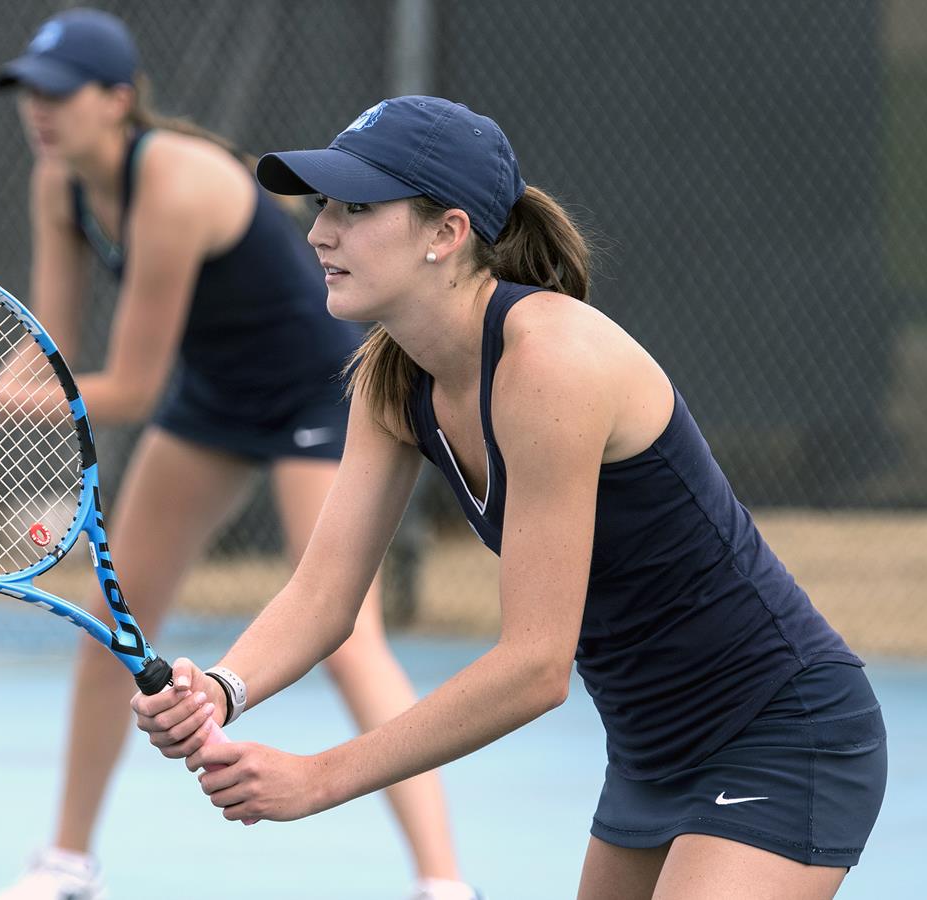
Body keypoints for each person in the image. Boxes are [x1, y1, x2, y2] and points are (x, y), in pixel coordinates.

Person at [134, 96, 888, 899]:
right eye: (323, 205)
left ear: (446, 234)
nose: (321, 231)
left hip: (782, 734)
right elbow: (323, 595)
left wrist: (320, 778)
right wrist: (224, 687)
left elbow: (535, 666)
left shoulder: (549, 362)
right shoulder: (391, 381)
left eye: (356, 207)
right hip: (650, 752)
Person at [0, 13, 478, 900]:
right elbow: (46, 342)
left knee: (348, 637)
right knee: (112, 622)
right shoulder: (57, 182)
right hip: (213, 398)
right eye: (28, 94)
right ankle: (66, 865)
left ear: (119, 100)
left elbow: (128, 386)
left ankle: (442, 883)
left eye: (59, 93)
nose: (39, 112)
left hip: (310, 388)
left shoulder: (172, 181)